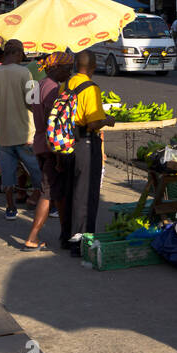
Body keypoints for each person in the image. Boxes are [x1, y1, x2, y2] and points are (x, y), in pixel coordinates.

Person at [0, 39, 42, 221]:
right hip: (25, 132)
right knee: (37, 171)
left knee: (8, 173)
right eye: (22, 53)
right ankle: (48, 203)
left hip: (4, 133)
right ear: (16, 53)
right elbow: (33, 101)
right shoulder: (24, 72)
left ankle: (10, 208)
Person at [64, 49, 116, 252]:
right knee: (86, 194)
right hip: (85, 142)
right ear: (93, 67)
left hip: (69, 143)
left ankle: (68, 237)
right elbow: (94, 123)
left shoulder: (67, 84)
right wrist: (107, 120)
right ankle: (82, 242)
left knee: (72, 191)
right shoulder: (91, 88)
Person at [23, 52, 74, 249]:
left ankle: (65, 232)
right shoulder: (53, 89)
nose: (69, 74)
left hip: (39, 142)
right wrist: (59, 155)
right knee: (47, 191)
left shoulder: (40, 84)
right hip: (50, 146)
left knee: (56, 190)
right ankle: (32, 237)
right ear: (56, 68)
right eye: (67, 70)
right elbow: (53, 122)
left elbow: (31, 104)